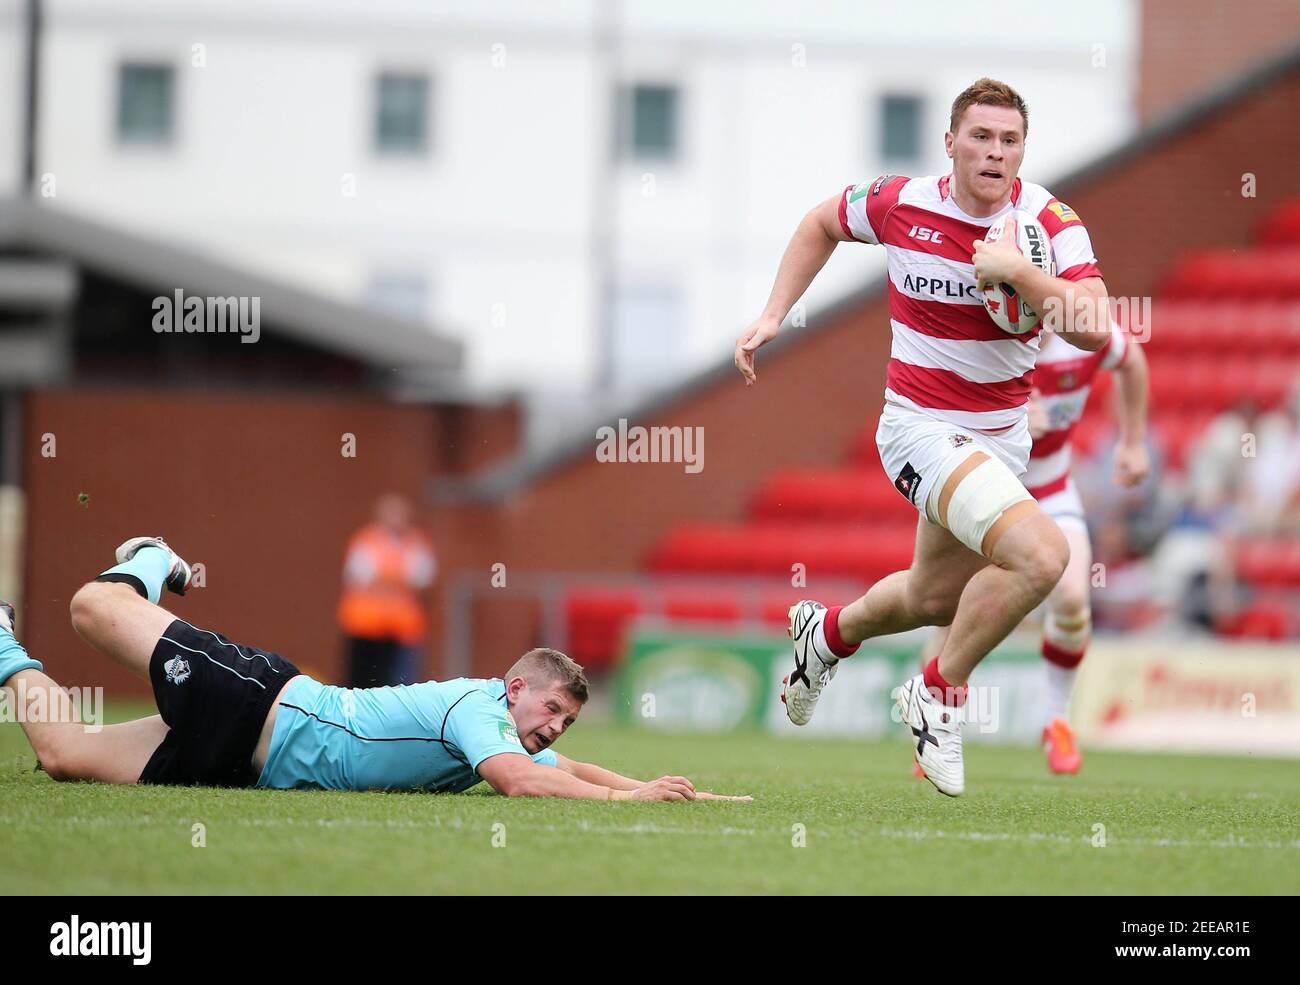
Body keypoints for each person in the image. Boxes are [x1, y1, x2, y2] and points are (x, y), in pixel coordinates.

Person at [735, 78, 1112, 796]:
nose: (995, 152)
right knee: (1044, 557)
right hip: (917, 428)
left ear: (1023, 151)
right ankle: (939, 692)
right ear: (950, 143)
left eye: (1009, 140)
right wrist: (774, 312)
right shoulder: (903, 202)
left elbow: (1095, 324)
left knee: (935, 598)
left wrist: (1020, 275)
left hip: (999, 439)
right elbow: (820, 221)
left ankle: (828, 634)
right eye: (980, 136)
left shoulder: (1050, 221)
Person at [0, 537, 750, 802]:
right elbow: (523, 781)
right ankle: (154, 560)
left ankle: (2, 644)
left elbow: (572, 767)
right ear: (515, 687)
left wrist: (672, 790)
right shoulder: (477, 712)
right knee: (92, 606)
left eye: (564, 719)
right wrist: (629, 805)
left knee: (63, 756)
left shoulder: (508, 731)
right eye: (551, 709)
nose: (553, 727)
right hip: (257, 700)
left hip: (242, 763)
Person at [925, 322, 1149, 774]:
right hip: (983, 494)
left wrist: (1132, 442)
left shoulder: (1082, 337)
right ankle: (934, 722)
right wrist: (1010, 421)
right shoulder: (980, 343)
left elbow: (1132, 360)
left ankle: (1056, 721)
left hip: (1050, 491)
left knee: (1070, 597)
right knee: (944, 609)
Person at [337, 494, 435, 687]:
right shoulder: (366, 540)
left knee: (401, 687)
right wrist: (398, 581)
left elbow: (423, 579)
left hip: (403, 630)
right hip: (365, 627)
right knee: (361, 685)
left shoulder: (416, 543)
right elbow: (357, 577)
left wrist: (383, 580)